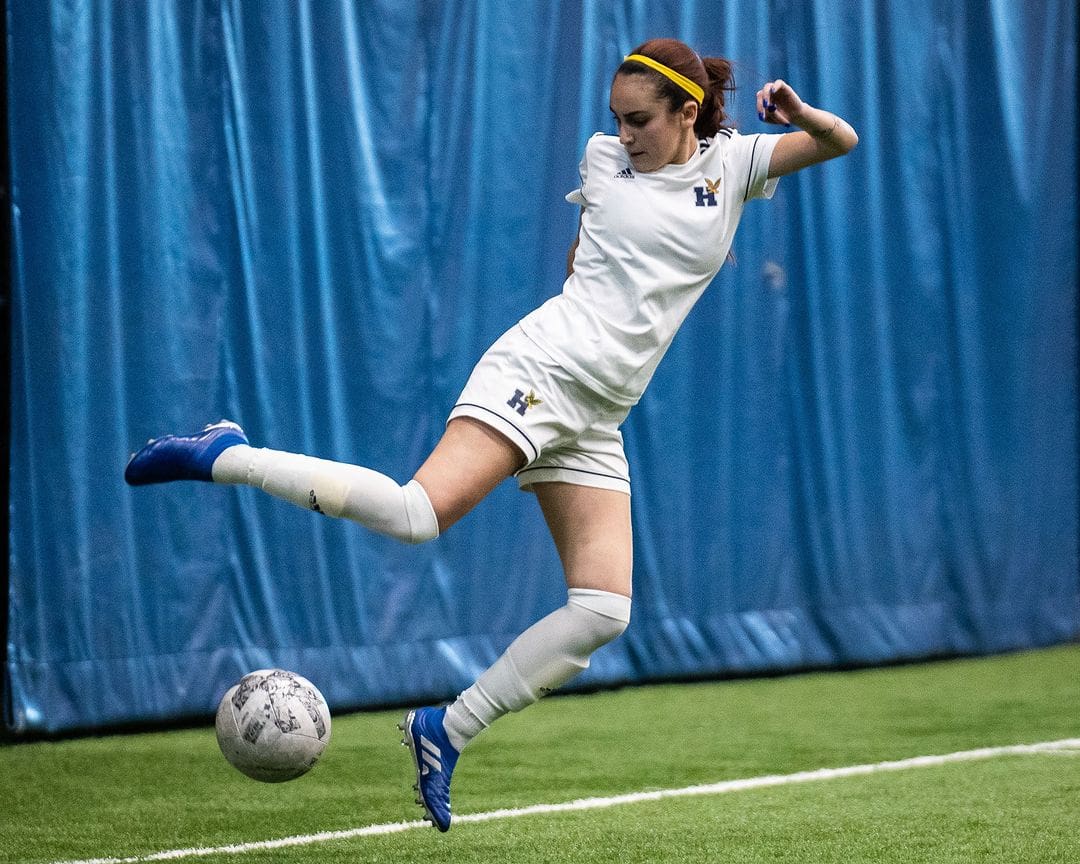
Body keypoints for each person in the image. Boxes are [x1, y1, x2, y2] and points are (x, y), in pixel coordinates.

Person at [125, 37, 857, 831]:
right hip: (541, 371)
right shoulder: (604, 162)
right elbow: (589, 257)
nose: (623, 133)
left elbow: (837, 140)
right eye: (615, 117)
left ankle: (447, 728)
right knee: (417, 515)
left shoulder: (735, 163)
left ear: (688, 112)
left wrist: (801, 114)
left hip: (599, 410)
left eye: (639, 119)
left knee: (603, 611)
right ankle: (227, 454)